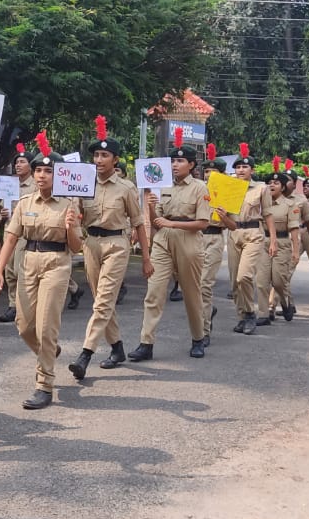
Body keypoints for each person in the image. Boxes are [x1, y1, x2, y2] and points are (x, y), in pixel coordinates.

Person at [0, 133, 83, 408]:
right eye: (38, 170)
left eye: (48, 171)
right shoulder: (26, 203)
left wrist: (69, 227)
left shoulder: (69, 204)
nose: (41, 176)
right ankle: (50, 352)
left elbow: (76, 246)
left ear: (59, 175)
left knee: (45, 327)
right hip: (28, 262)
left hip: (56, 264)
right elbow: (10, 238)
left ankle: (44, 383)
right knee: (24, 325)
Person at [69, 116, 152, 378]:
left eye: (105, 155)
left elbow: (139, 223)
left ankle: (85, 354)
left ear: (115, 160)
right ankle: (117, 348)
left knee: (104, 301)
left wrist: (146, 259)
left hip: (117, 244)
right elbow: (76, 214)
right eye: (96, 155)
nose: (99, 160)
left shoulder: (126, 188)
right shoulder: (84, 185)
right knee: (101, 301)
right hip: (90, 244)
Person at [128, 132, 208, 362]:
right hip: (162, 241)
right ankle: (146, 343)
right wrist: (151, 207)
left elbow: (203, 223)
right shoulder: (161, 186)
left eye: (180, 161)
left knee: (192, 294)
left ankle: (198, 338)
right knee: (154, 292)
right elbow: (156, 220)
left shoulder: (200, 188)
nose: (175, 165)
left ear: (191, 164)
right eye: (172, 161)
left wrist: (172, 223)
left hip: (189, 241)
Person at [225, 143, 273, 334]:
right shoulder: (229, 187)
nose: (241, 170)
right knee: (234, 282)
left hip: (254, 233)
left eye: (245, 167)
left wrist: (273, 240)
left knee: (244, 276)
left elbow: (268, 214)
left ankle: (250, 313)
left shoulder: (261, 188)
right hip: (234, 233)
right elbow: (224, 217)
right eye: (237, 167)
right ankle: (242, 317)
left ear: (252, 170)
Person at [0, 143, 35, 323]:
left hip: (25, 233)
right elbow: (3, 208)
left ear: (30, 165)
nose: (18, 165)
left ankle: (22, 306)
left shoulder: (35, 185)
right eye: (17, 162)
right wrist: (2, 213)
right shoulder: (9, 184)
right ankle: (13, 305)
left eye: (22, 162)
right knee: (9, 270)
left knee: (21, 270)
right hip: (9, 231)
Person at [263, 161, 301, 321]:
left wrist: (296, 251)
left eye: (276, 183)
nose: (272, 185)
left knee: (279, 281)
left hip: (282, 243)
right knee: (262, 281)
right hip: (263, 242)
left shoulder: (290, 205)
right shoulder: (260, 203)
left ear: (283, 187)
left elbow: (294, 229)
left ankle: (285, 304)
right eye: (270, 183)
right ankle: (264, 313)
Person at [199, 148, 228, 343]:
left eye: (213, 172)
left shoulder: (228, 193)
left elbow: (233, 225)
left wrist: (225, 216)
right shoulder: (197, 189)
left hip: (214, 238)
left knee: (204, 285)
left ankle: (204, 331)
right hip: (194, 238)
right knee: (193, 287)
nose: (209, 175)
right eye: (206, 172)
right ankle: (208, 310)